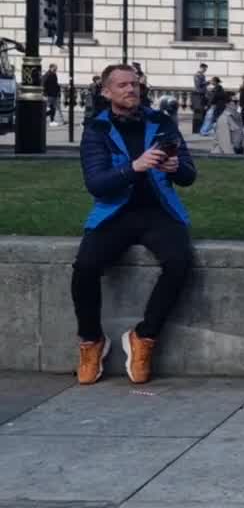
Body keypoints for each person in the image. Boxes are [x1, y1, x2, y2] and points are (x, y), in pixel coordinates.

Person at [73, 65, 197, 386]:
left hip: (158, 211)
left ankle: (143, 337)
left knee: (180, 261)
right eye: (123, 85)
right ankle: (91, 342)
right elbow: (97, 184)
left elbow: (189, 175)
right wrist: (135, 167)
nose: (131, 89)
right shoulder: (96, 129)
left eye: (135, 84)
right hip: (114, 212)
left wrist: (174, 166)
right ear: (107, 92)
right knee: (85, 266)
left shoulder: (161, 122)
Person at [211, 89, 244, 156]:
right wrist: (233, 156)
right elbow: (225, 142)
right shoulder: (224, 119)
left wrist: (241, 152)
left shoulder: (238, 116)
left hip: (236, 152)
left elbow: (240, 136)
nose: (238, 104)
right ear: (227, 104)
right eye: (235, 102)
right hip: (222, 155)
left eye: (238, 101)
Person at [191, 63, 208, 135]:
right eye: (204, 68)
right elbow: (198, 85)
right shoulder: (197, 75)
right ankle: (196, 129)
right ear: (201, 68)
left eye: (206, 69)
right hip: (198, 95)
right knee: (198, 112)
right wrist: (206, 83)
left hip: (202, 95)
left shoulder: (202, 75)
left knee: (202, 113)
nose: (205, 70)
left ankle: (199, 129)